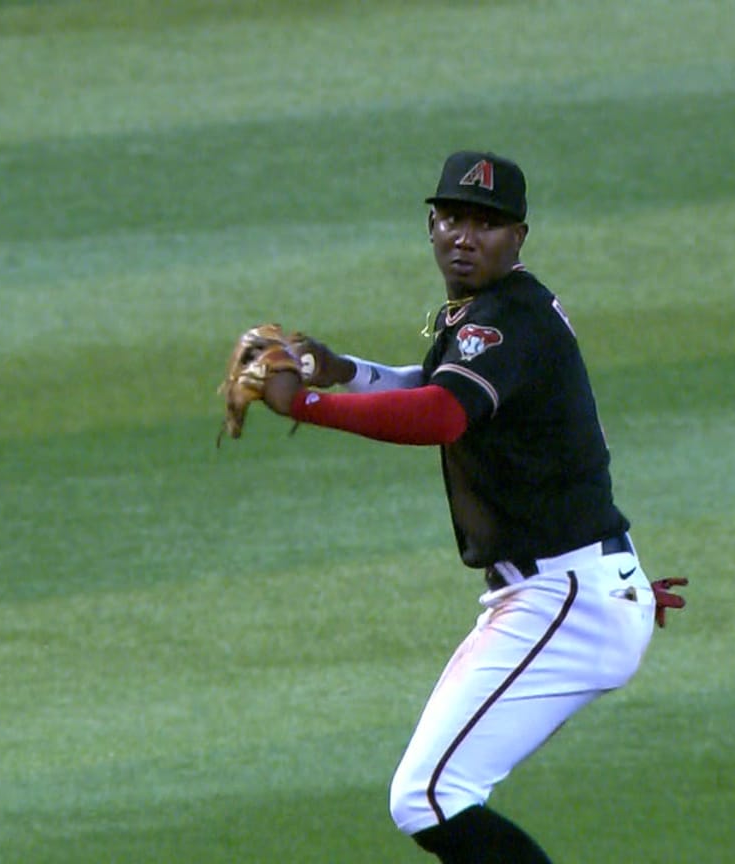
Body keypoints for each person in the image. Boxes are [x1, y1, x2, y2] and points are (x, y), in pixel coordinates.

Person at [259, 150, 681, 863]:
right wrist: (343, 372)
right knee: (434, 794)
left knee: (429, 797)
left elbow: (440, 415)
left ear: (519, 236)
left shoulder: (509, 319)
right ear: (430, 225)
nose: (465, 236)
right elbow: (430, 384)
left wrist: (305, 402)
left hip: (566, 598)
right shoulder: (486, 313)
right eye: (453, 217)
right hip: (570, 590)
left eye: (486, 224)